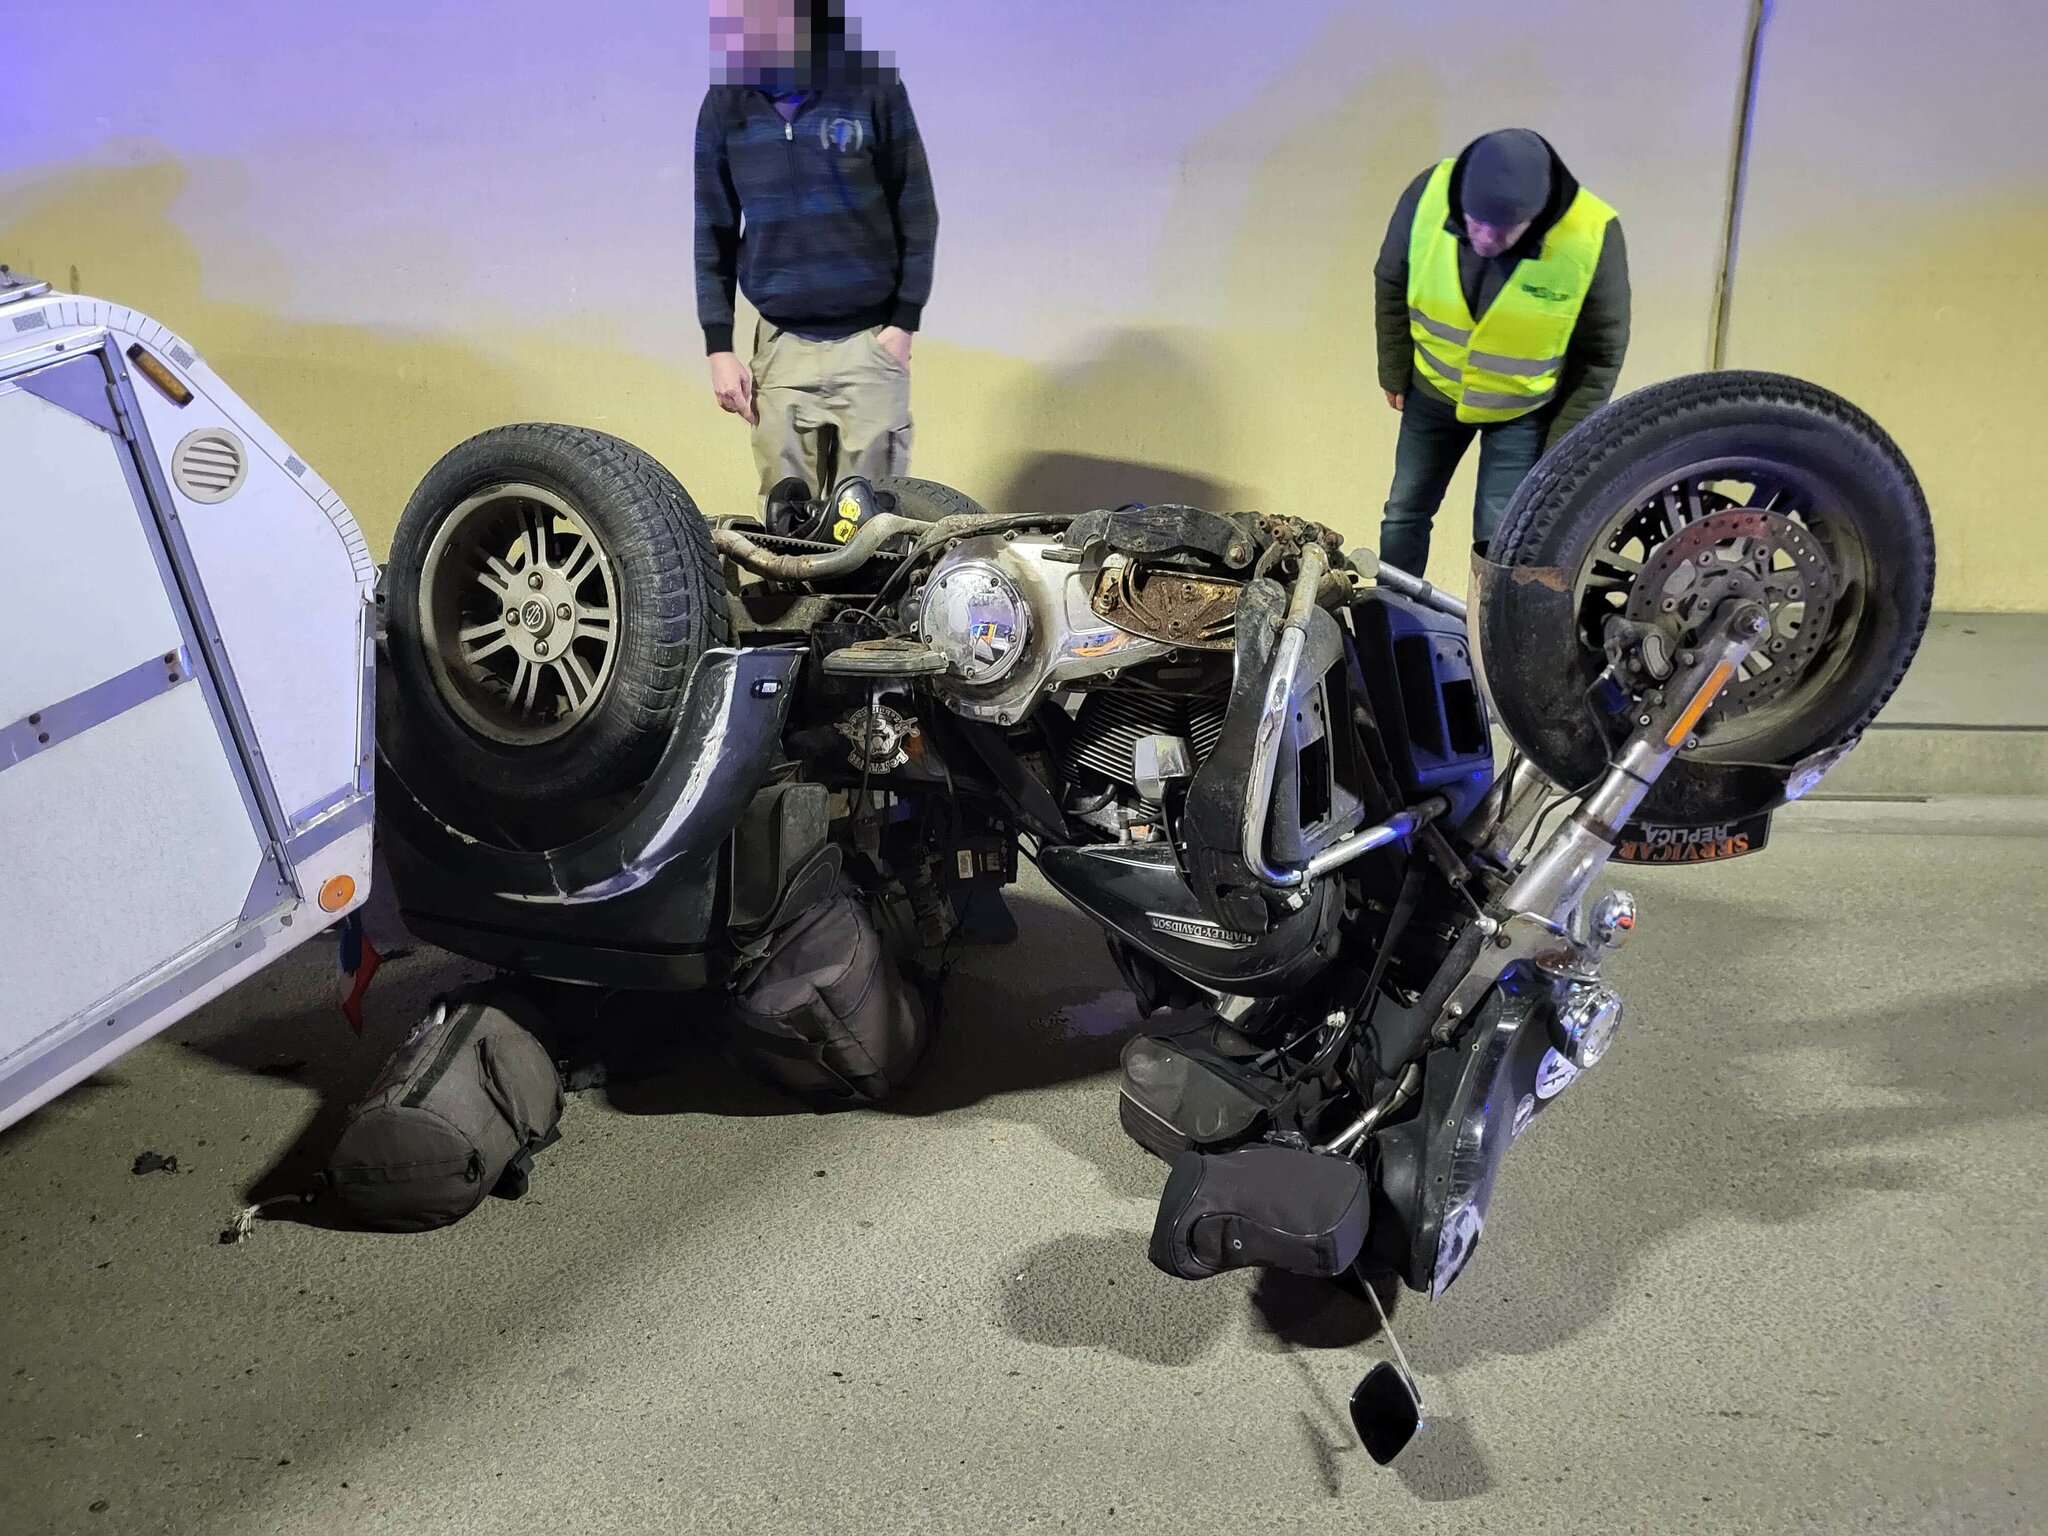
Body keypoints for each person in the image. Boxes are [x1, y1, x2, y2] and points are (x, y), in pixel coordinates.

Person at [696, 0, 938, 508]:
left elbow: (917, 208)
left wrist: (903, 323)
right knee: (786, 524)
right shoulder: (725, 104)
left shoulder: (873, 89)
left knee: (874, 524)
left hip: (870, 345)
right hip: (781, 349)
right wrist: (719, 347)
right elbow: (714, 230)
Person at [1373, 129, 1630, 575]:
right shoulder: (1427, 194)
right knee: (1404, 513)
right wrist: (1393, 368)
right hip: (1433, 391)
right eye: (1476, 224)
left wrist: (1562, 444)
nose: (1487, 241)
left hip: (1519, 410)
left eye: (1506, 229)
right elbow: (1391, 280)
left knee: (1503, 539)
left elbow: (1601, 353)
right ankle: (1392, 620)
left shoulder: (1592, 234)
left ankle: (1488, 635)